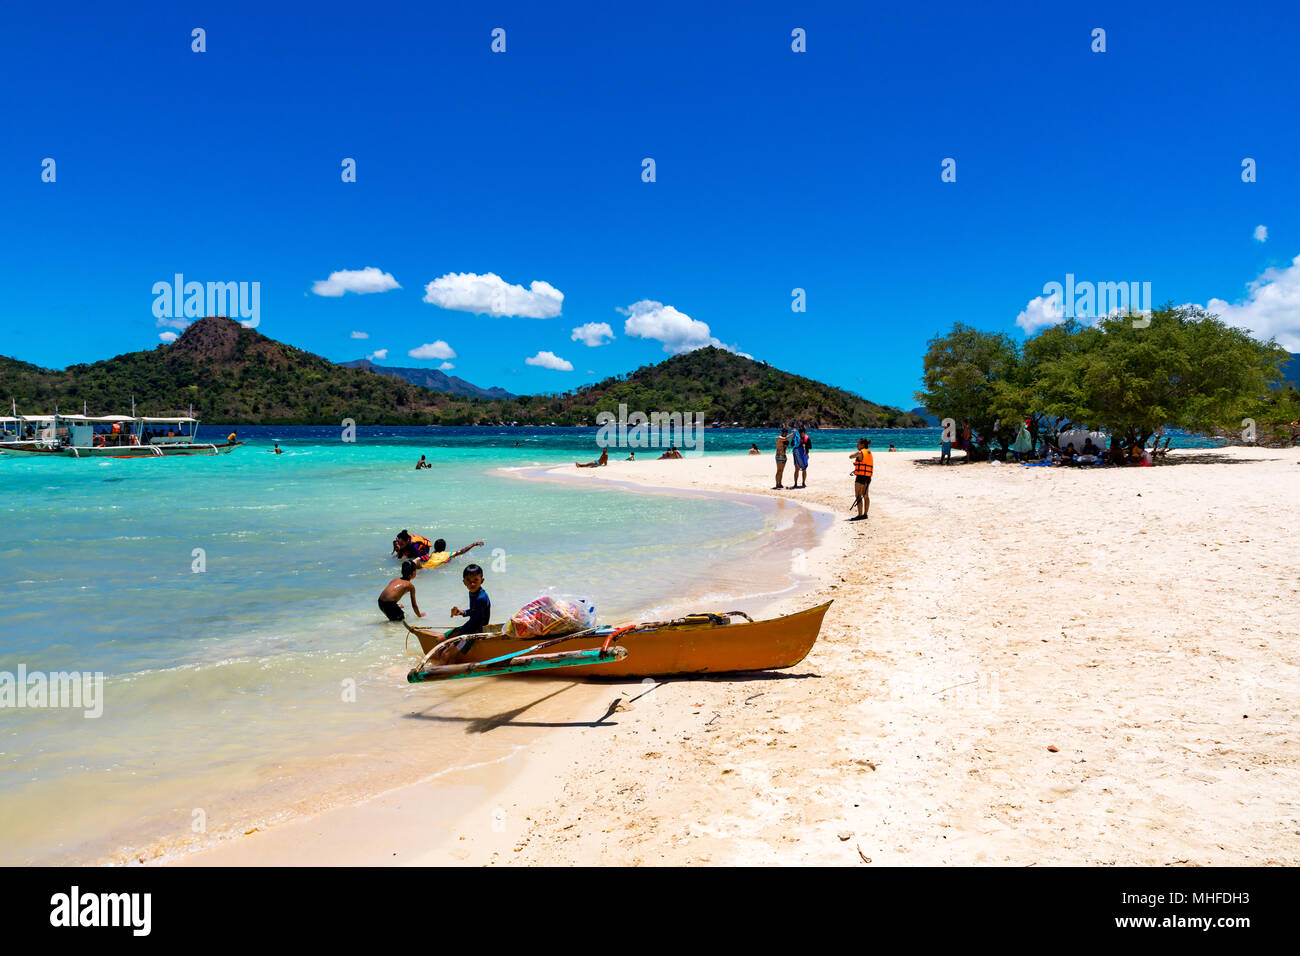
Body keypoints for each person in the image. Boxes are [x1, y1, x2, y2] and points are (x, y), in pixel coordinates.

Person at [437, 564, 491, 662]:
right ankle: (449, 662)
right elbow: (474, 611)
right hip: (469, 628)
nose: (472, 584)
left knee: (446, 652)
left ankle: (435, 672)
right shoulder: (473, 592)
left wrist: (458, 633)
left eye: (476, 580)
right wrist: (462, 612)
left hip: (475, 632)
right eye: (468, 581)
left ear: (482, 581)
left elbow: (474, 623)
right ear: (464, 582)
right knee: (439, 639)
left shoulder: (481, 598)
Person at [420, 538, 484, 568]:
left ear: (435, 547)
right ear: (444, 547)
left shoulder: (432, 554)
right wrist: (474, 544)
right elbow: (463, 551)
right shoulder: (449, 554)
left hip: (424, 566)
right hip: (436, 567)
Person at [850, 438, 873, 520]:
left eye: (858, 444)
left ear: (862, 445)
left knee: (858, 495)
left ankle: (860, 515)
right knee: (866, 495)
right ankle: (865, 514)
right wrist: (857, 464)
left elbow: (850, 456)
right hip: (868, 476)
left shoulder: (860, 452)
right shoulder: (869, 452)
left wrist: (856, 459)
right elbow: (864, 462)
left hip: (860, 477)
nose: (857, 445)